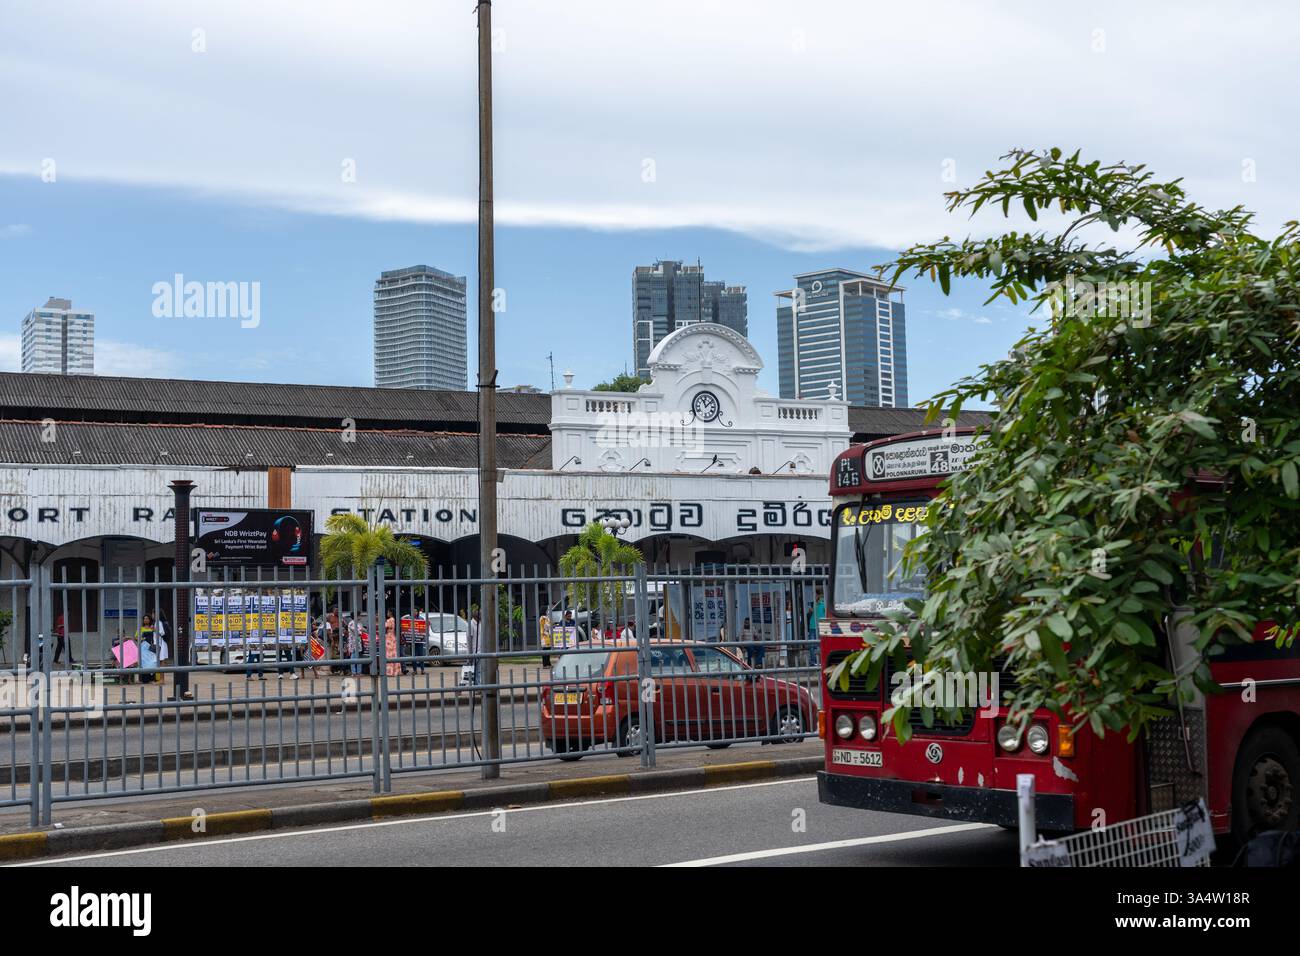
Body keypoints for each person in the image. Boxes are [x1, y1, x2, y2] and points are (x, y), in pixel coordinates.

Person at [383, 610, 401, 678]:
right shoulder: (394, 620)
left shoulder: (390, 620)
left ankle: (390, 671)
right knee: (394, 654)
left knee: (389, 654)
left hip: (389, 637)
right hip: (393, 637)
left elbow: (384, 626)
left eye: (388, 612)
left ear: (390, 612)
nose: (387, 613)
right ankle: (395, 671)